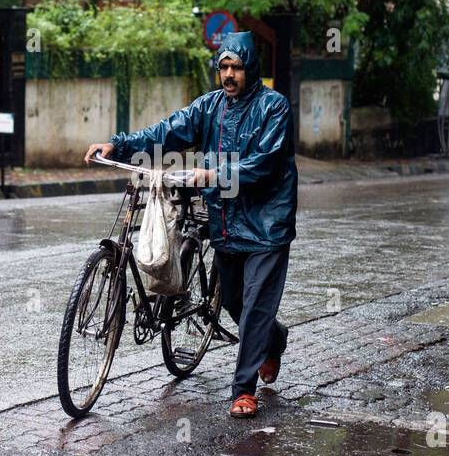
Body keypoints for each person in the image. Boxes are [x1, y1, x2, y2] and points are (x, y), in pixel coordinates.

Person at [84, 31, 296, 417]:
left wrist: (212, 174)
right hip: (227, 224)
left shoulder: (274, 107)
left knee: (253, 308)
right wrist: (119, 144)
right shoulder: (209, 107)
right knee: (231, 301)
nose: (229, 74)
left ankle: (242, 390)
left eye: (236, 67)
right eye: (223, 67)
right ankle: (275, 339)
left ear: (251, 68)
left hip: (267, 225)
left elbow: (265, 165)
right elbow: (167, 132)